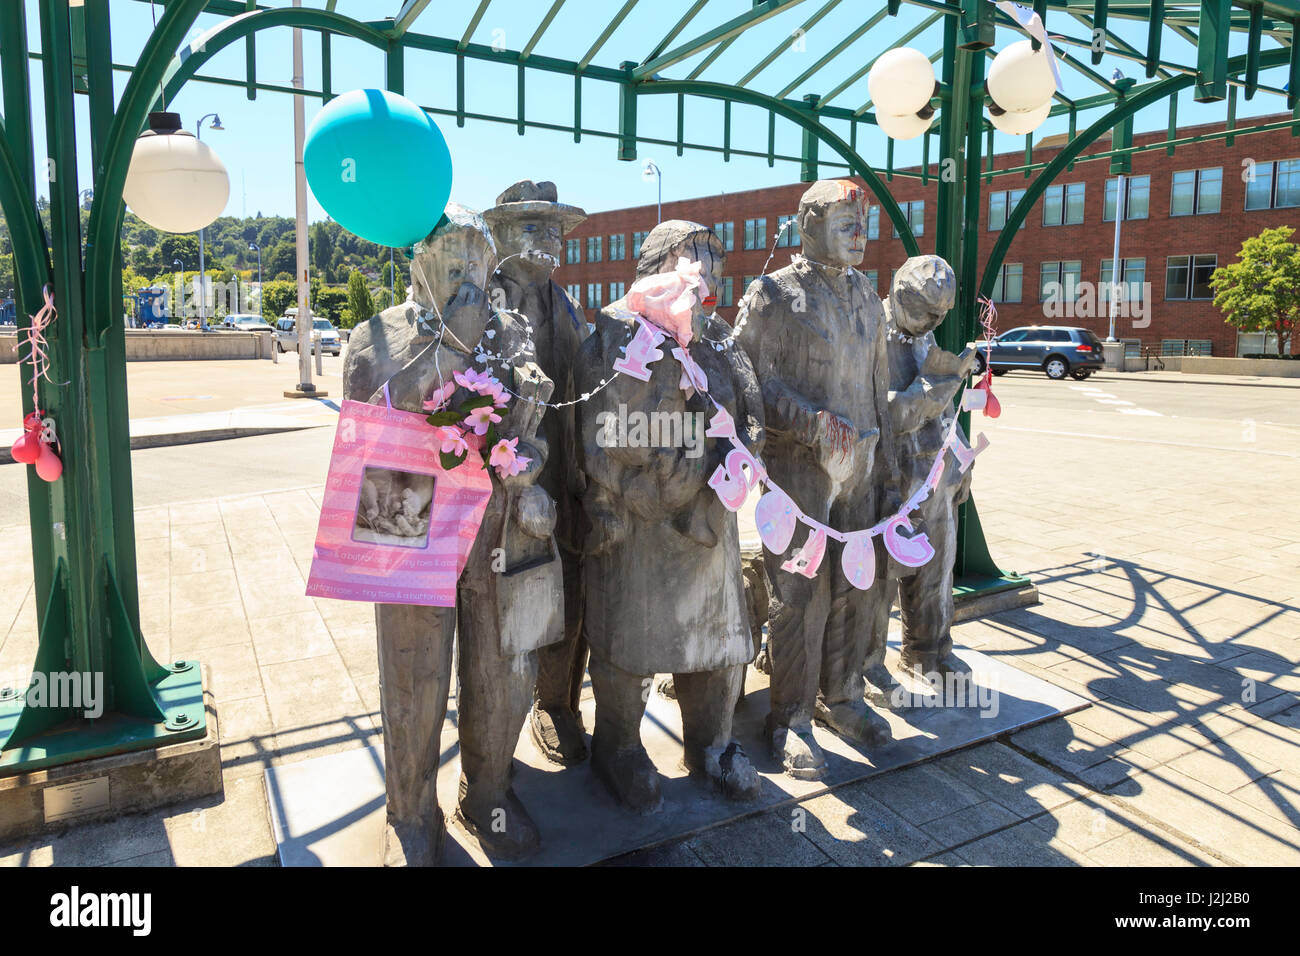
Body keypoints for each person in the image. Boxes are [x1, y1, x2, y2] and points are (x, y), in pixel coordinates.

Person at [342, 203, 561, 864]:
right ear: (417, 265)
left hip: (496, 527)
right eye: (453, 261)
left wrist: (530, 471)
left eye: (478, 260)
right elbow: (365, 434)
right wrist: (447, 349)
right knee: (415, 671)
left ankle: (487, 792)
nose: (470, 275)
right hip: (408, 524)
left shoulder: (514, 334)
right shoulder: (376, 336)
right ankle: (409, 811)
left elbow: (530, 439)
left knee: (501, 668)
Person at [573, 220, 764, 811]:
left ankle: (714, 742)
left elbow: (753, 409)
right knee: (631, 640)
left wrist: (741, 459)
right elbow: (592, 426)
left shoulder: (720, 338)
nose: (703, 274)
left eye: (713, 262)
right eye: (690, 260)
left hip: (708, 517)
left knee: (715, 640)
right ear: (653, 266)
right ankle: (621, 745)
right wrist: (631, 485)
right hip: (639, 518)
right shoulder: (615, 329)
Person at [738, 180, 896, 780]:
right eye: (846, 223)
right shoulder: (774, 294)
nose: (861, 235)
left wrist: (876, 463)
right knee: (798, 593)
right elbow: (752, 381)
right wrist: (810, 424)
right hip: (799, 470)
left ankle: (844, 695)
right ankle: (791, 716)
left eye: (863, 223)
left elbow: (877, 387)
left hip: (860, 466)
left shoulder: (869, 297)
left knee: (858, 582)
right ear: (808, 226)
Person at [483, 180, 592, 766]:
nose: (550, 238)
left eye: (555, 228)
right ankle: (494, 733)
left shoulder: (567, 304)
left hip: (569, 479)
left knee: (571, 597)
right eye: (533, 227)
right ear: (500, 235)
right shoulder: (481, 304)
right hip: (504, 486)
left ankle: (559, 704)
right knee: (507, 607)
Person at [868, 255, 978, 688]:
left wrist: (964, 459)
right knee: (879, 579)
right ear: (898, 293)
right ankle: (868, 664)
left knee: (937, 571)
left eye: (941, 314)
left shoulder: (923, 337)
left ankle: (929, 651)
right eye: (925, 311)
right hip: (892, 480)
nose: (932, 321)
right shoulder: (872, 334)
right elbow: (889, 414)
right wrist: (940, 383)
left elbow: (948, 413)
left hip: (936, 475)